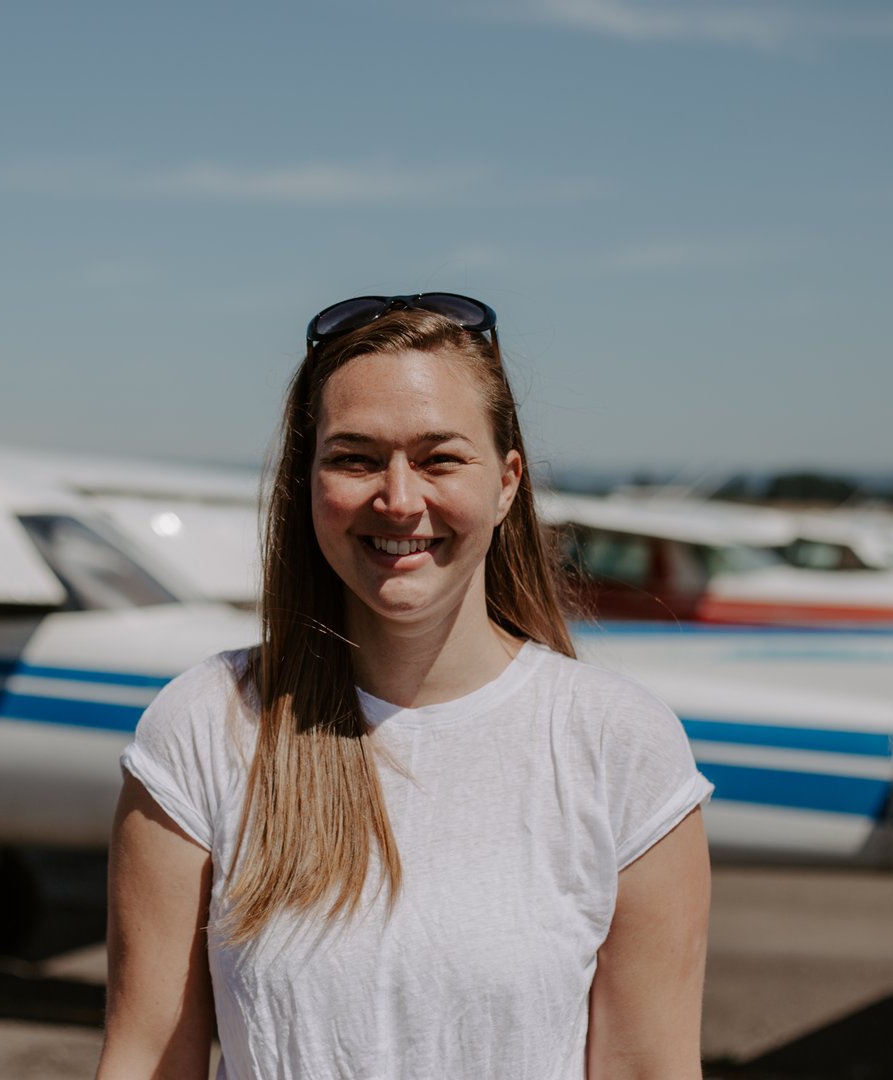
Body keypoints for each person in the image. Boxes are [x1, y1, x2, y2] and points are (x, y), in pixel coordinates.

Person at [98, 293, 713, 1080]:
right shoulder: (203, 725)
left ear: (505, 482)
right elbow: (146, 1058)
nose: (398, 498)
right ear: (307, 482)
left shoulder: (620, 746)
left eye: (439, 458)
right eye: (354, 458)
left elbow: (647, 1069)